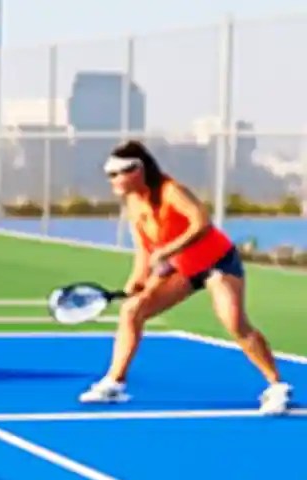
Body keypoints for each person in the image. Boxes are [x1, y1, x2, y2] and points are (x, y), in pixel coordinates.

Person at [80, 140, 292, 415]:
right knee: (132, 309)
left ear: (136, 171)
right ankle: (114, 382)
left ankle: (276, 386)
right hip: (185, 269)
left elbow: (201, 223)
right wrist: (138, 278)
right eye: (110, 175)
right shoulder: (133, 203)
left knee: (234, 323)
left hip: (218, 263)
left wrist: (168, 251)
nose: (112, 181)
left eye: (116, 174)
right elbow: (144, 247)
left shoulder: (171, 191)